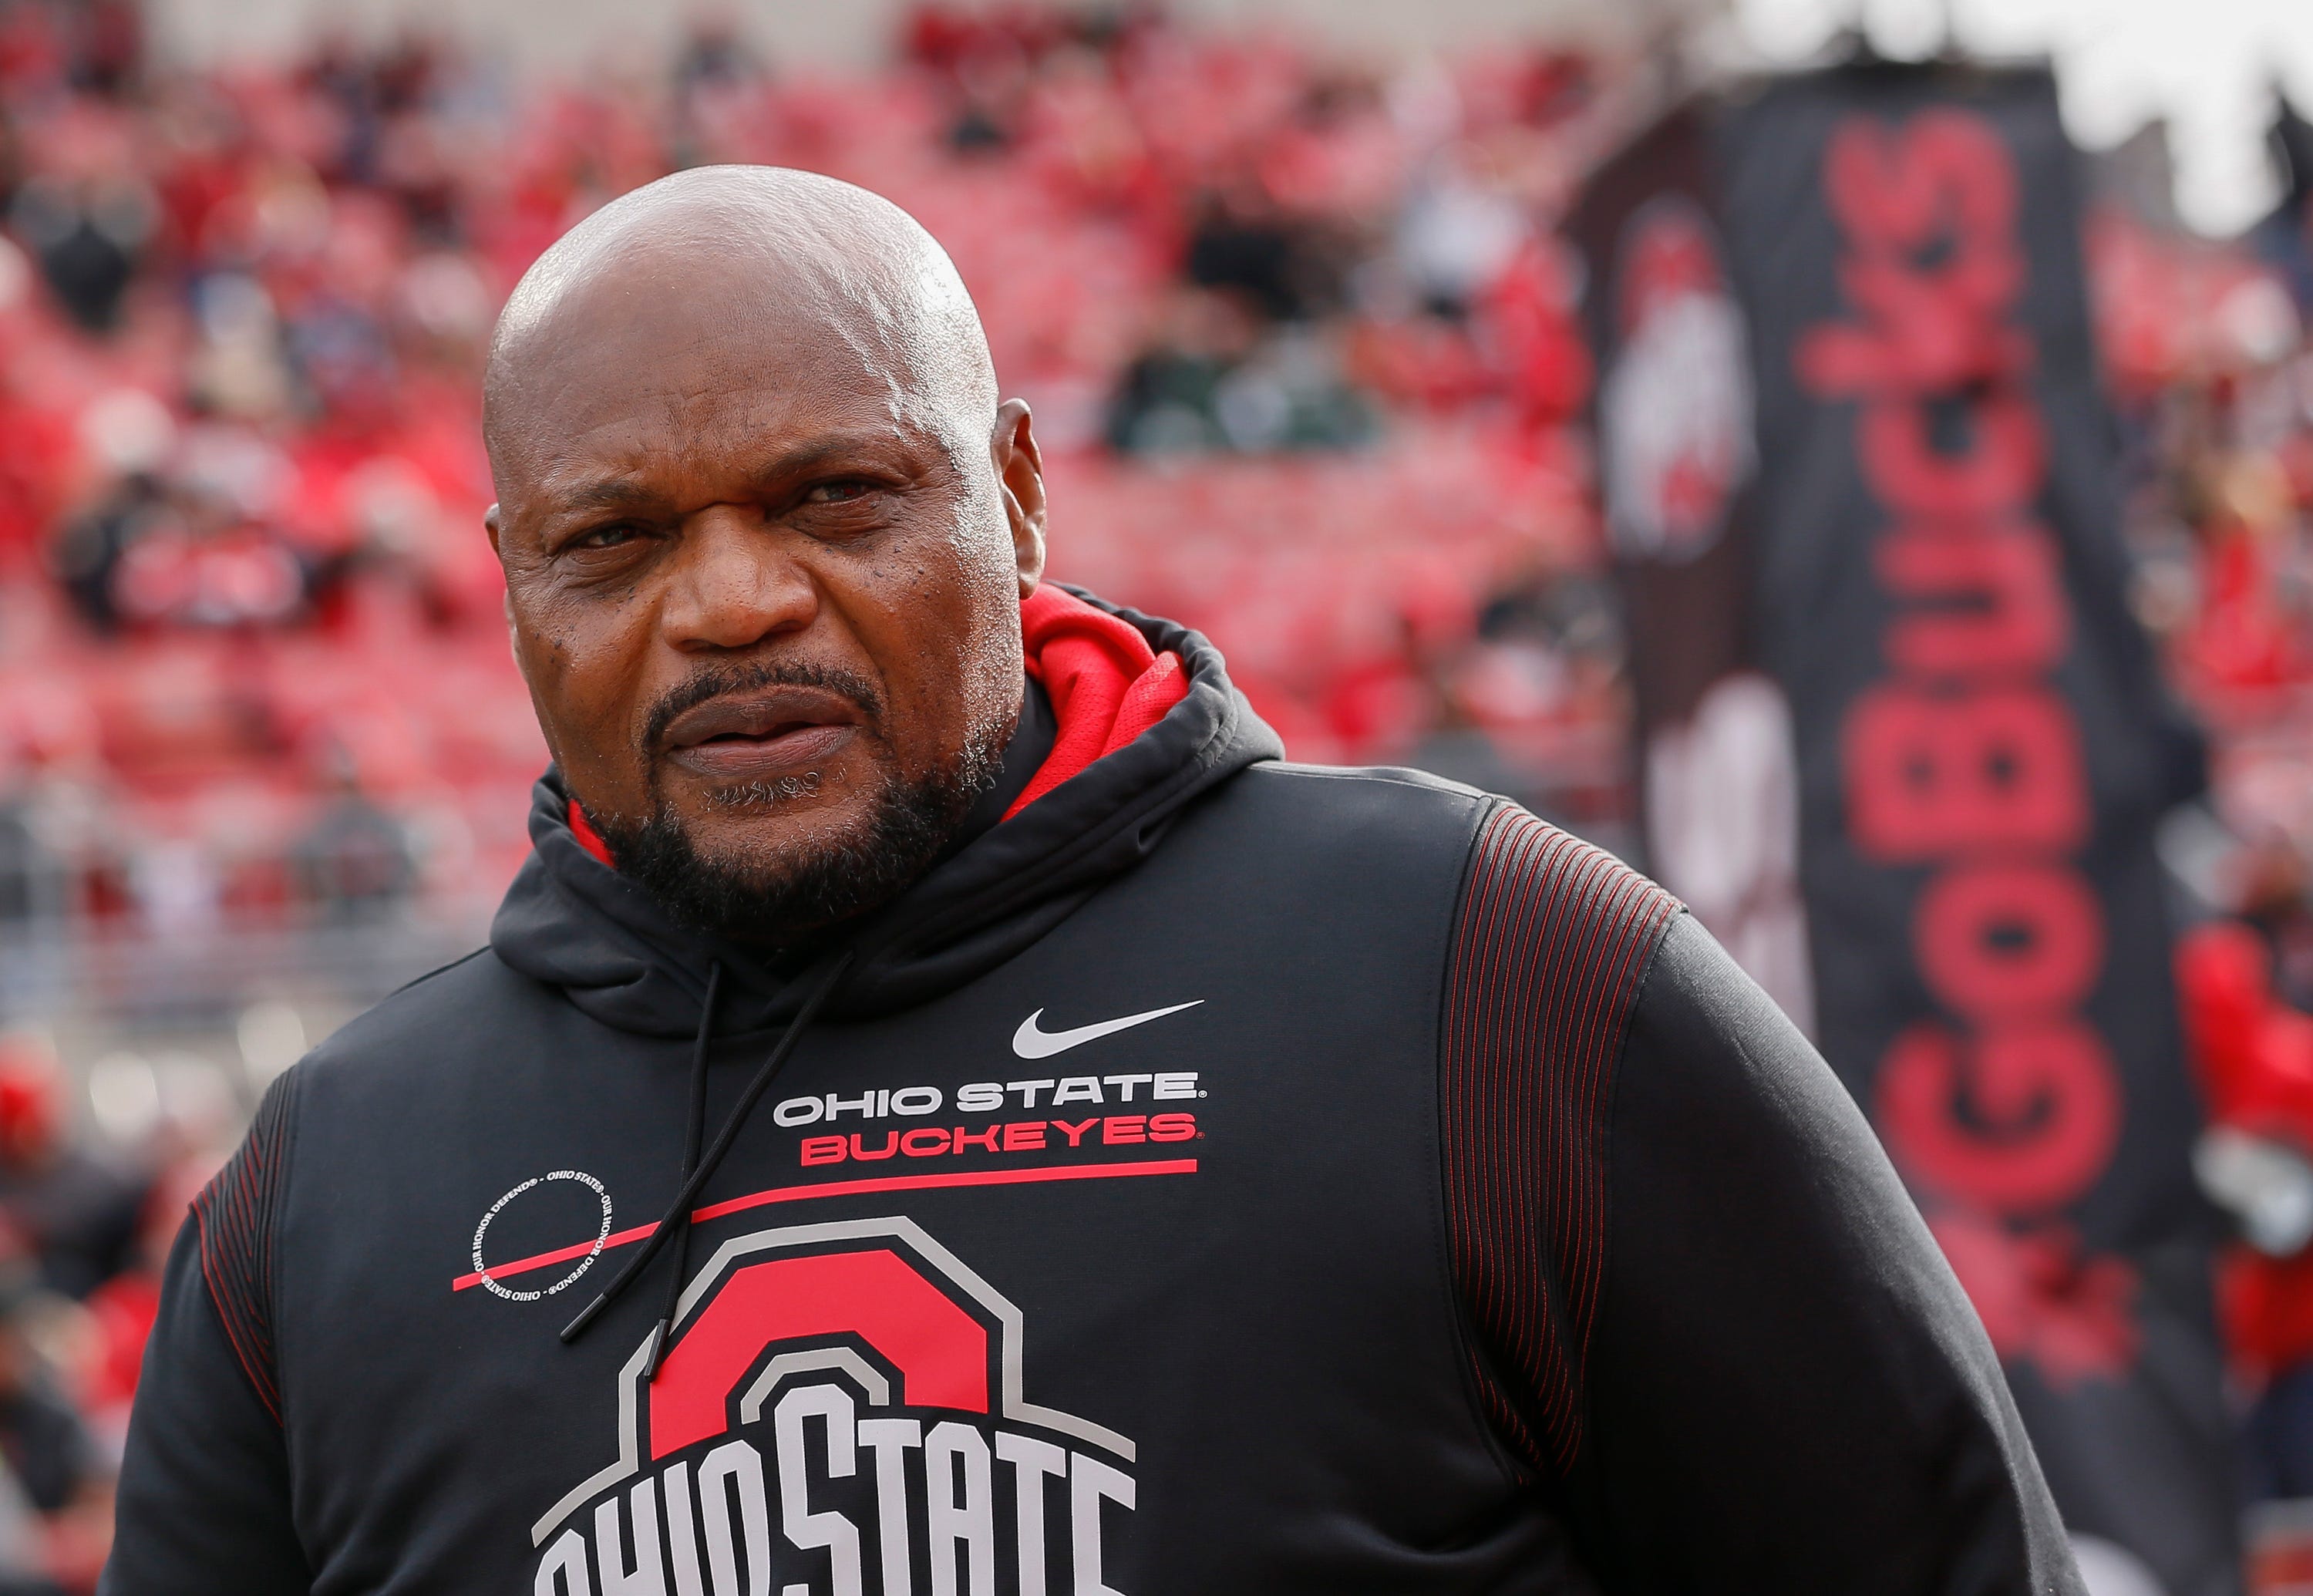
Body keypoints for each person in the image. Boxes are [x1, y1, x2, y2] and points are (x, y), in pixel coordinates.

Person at [106, 167, 2081, 1594]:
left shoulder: (1502, 979)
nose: (732, 602)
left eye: (837, 496)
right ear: (512, 583)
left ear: (1020, 494)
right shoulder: (325, 1189)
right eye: (613, 543)